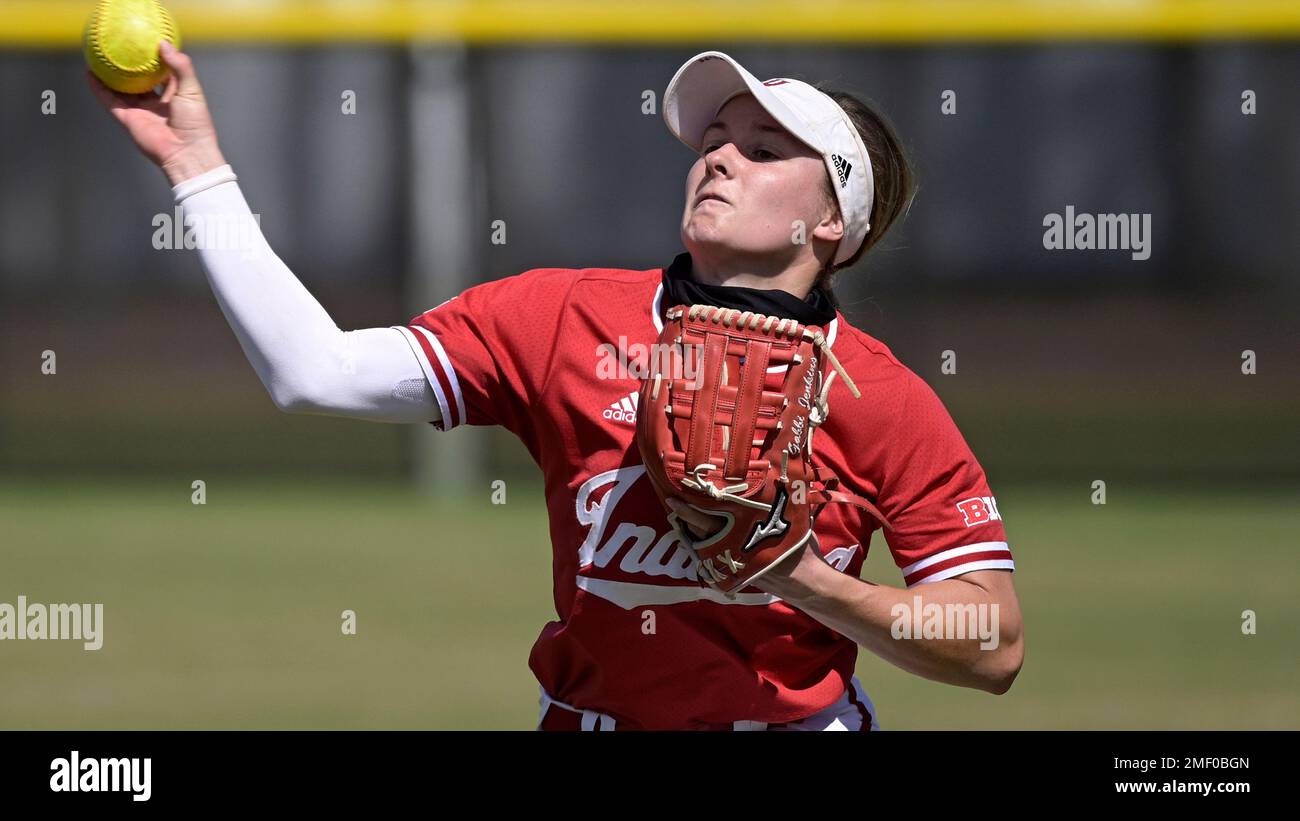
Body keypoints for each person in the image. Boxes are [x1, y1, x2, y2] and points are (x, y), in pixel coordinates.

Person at [90, 45, 1024, 731]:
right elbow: (311, 371)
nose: (720, 156)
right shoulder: (560, 318)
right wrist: (194, 167)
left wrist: (805, 580)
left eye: (765, 147)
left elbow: (993, 647)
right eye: (714, 137)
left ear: (832, 223)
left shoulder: (882, 395)